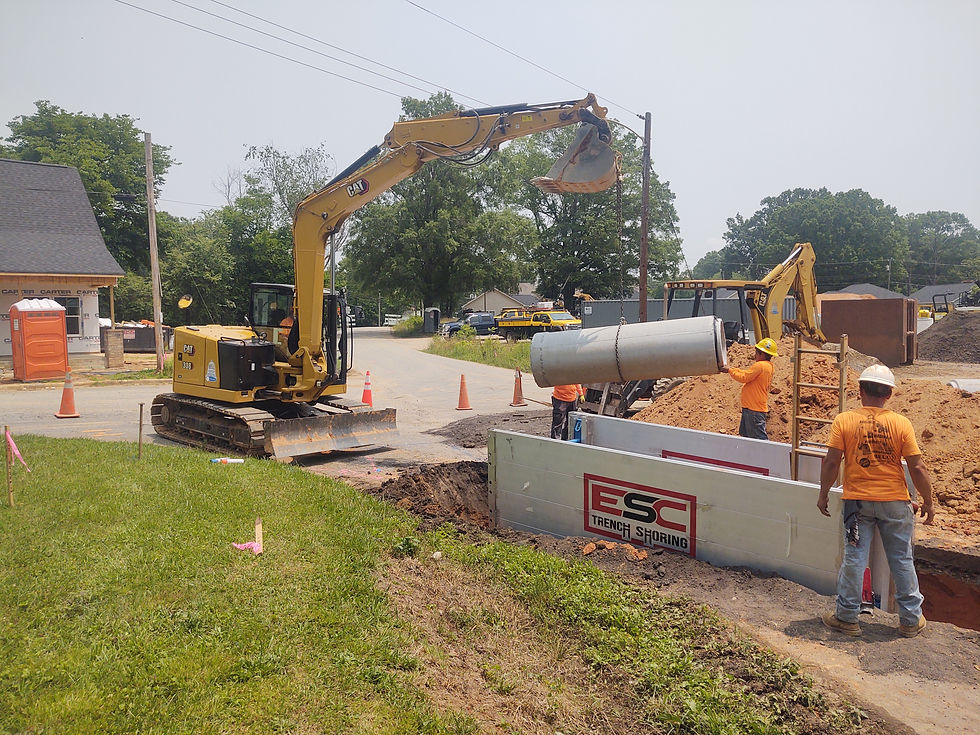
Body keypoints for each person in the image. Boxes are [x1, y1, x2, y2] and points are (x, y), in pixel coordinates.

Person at [817, 364, 935, 638]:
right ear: (889, 395)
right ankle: (910, 620)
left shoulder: (844, 421)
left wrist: (823, 493)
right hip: (894, 502)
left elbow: (832, 461)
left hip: (856, 504)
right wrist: (928, 501)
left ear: (860, 391)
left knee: (855, 557)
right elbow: (917, 468)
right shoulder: (901, 423)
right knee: (902, 559)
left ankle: (846, 617)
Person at [720, 337, 777, 440]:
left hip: (754, 409)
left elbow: (744, 377)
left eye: (756, 353)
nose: (755, 355)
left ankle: (764, 455)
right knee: (746, 435)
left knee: (759, 439)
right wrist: (732, 369)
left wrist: (730, 371)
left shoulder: (760, 365)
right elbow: (747, 373)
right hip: (751, 407)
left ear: (762, 354)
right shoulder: (768, 366)